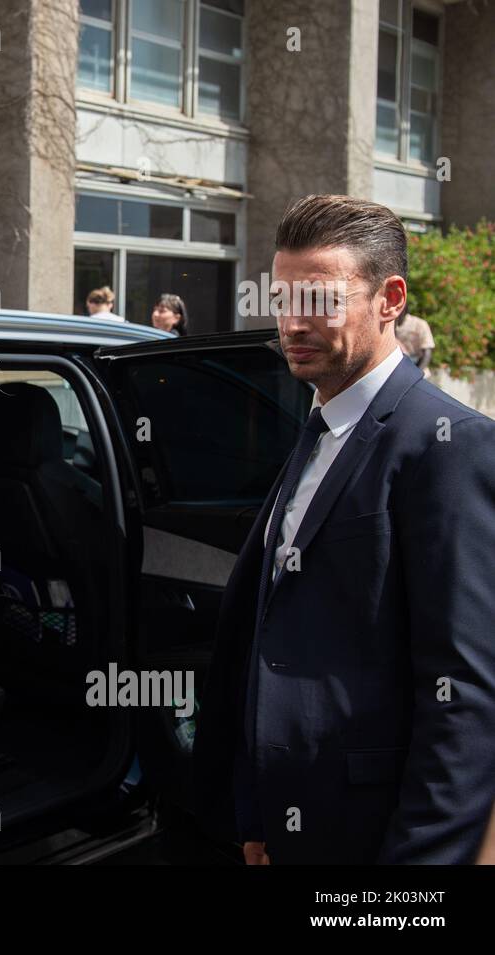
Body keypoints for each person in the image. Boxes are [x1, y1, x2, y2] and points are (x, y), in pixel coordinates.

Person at [191, 194, 495, 865]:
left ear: (390, 299)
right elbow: (267, 630)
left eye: (319, 300)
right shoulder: (319, 424)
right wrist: (258, 813)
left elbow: (465, 695)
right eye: (283, 297)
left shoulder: (448, 444)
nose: (292, 323)